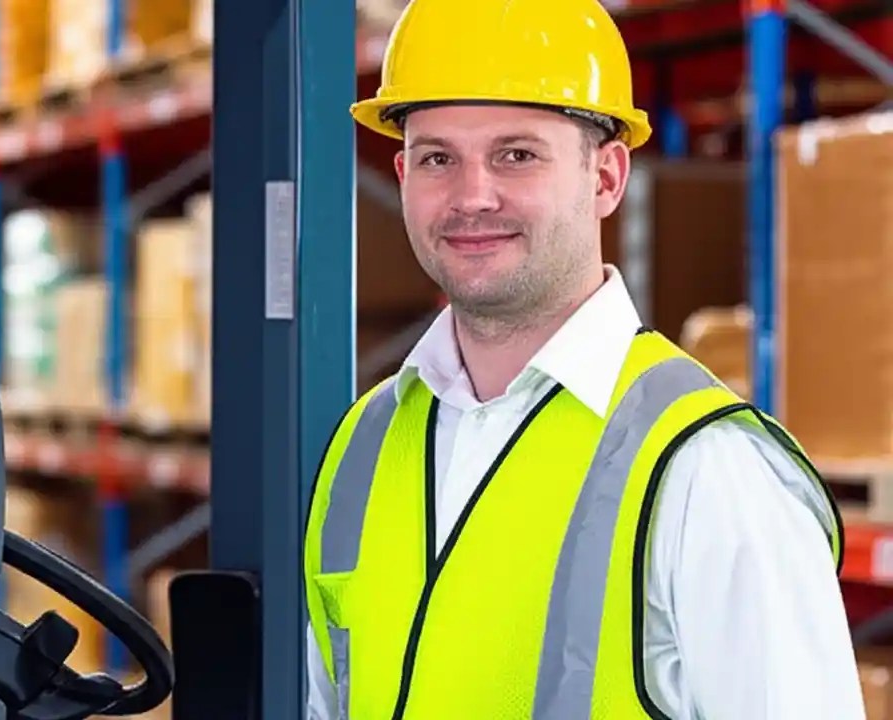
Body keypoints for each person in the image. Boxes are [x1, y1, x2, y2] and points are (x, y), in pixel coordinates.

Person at [302, 0, 864, 718]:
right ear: (402, 174)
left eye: (517, 155)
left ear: (606, 178)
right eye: (438, 158)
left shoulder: (708, 470)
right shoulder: (362, 449)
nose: (473, 197)